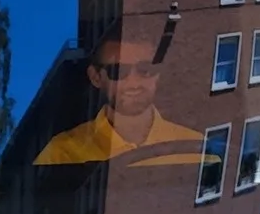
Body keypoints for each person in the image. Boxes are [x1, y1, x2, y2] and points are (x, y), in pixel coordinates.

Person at [35, 28, 204, 166]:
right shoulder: (61, 153)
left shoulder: (194, 147)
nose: (133, 82)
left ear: (158, 73)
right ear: (96, 77)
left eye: (145, 69)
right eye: (118, 71)